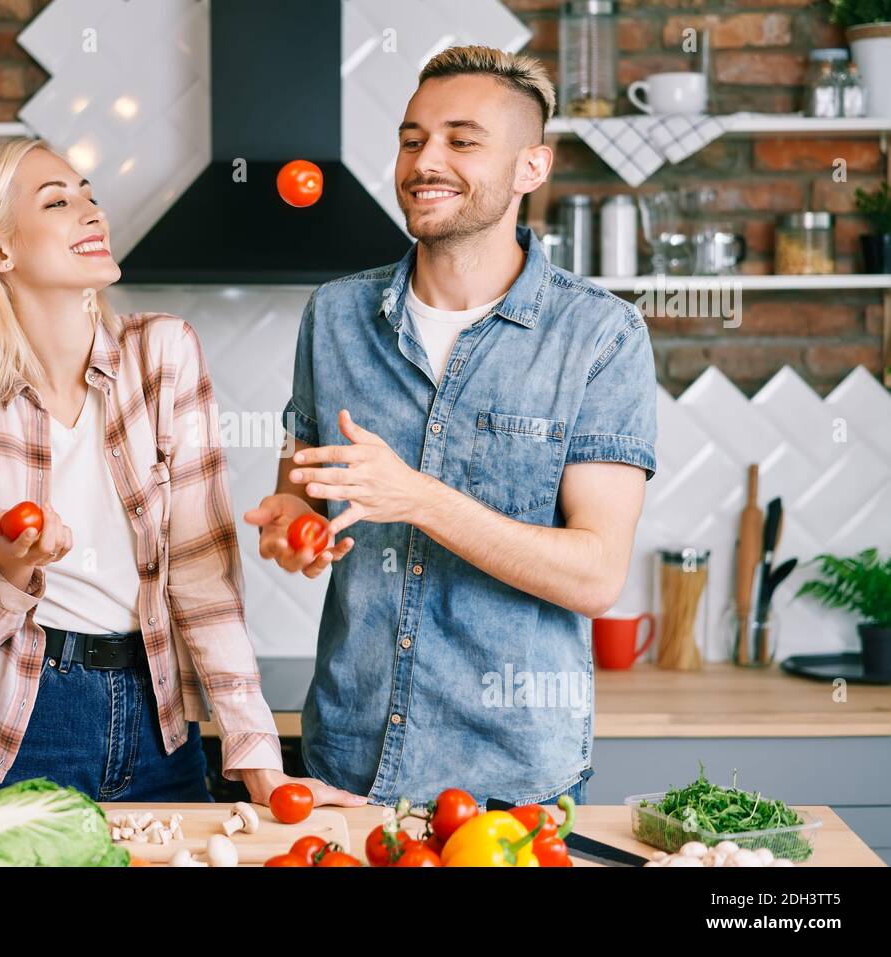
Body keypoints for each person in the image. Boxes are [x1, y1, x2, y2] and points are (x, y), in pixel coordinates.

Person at [245, 46, 659, 807]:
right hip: (348, 761)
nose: (425, 161)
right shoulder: (334, 316)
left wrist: (418, 497)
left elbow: (597, 573)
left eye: (462, 140)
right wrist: (292, 528)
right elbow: (298, 497)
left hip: (511, 782)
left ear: (532, 167)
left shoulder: (600, 335)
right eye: (412, 139)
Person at [0, 138, 364, 809]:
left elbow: (204, 577)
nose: (92, 211)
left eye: (89, 194)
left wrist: (259, 758)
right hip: (21, 729)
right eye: (58, 201)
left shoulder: (164, 355)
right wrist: (4, 571)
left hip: (160, 720)